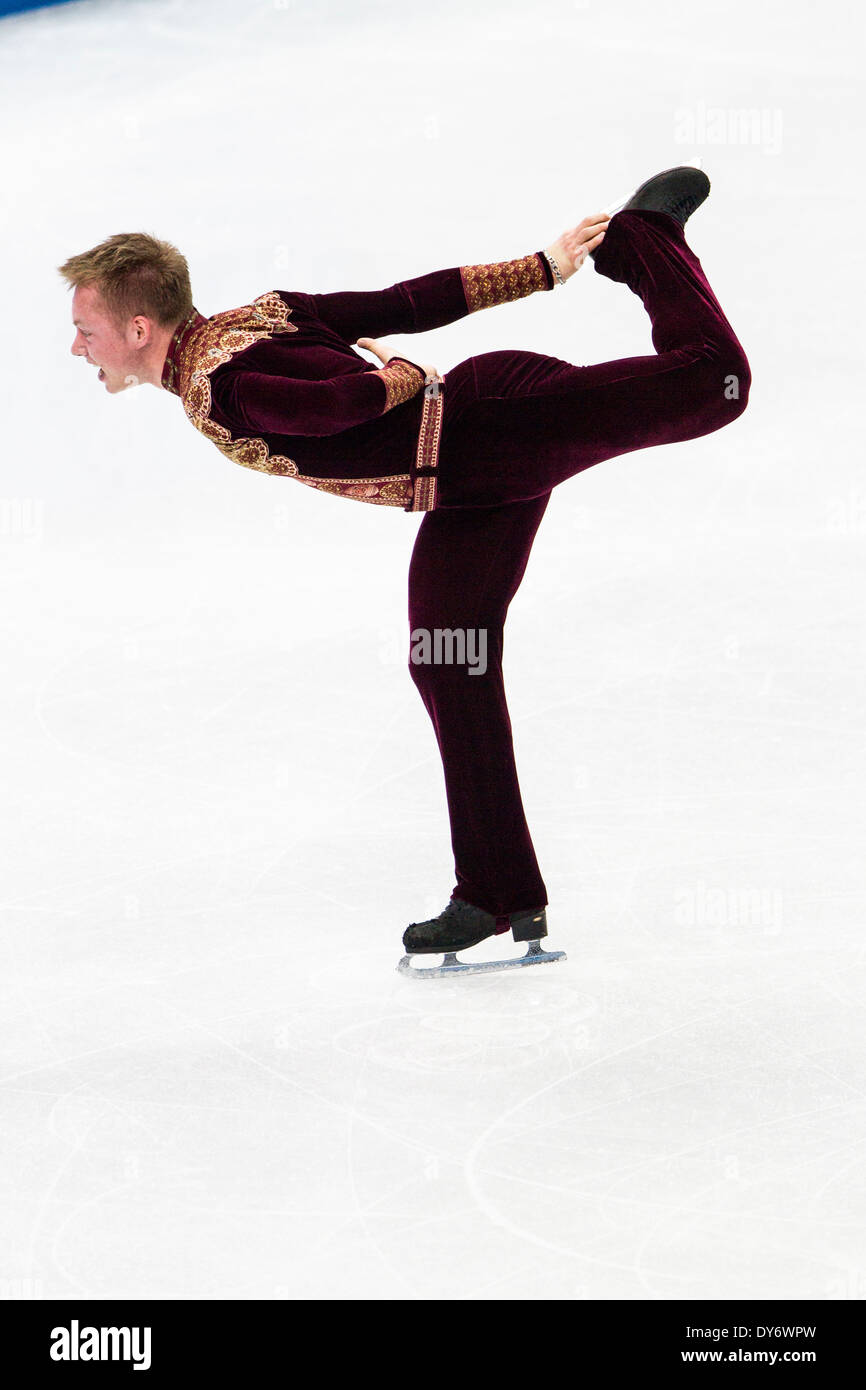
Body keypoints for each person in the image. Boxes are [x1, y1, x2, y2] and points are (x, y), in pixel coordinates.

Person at [60, 166, 751, 965]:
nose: (77, 346)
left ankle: (648, 242)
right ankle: (496, 893)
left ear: (139, 328)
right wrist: (538, 269)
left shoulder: (217, 389)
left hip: (500, 428)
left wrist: (402, 379)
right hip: (471, 482)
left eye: (86, 329)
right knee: (448, 663)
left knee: (716, 385)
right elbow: (404, 301)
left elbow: (337, 407)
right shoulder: (261, 315)